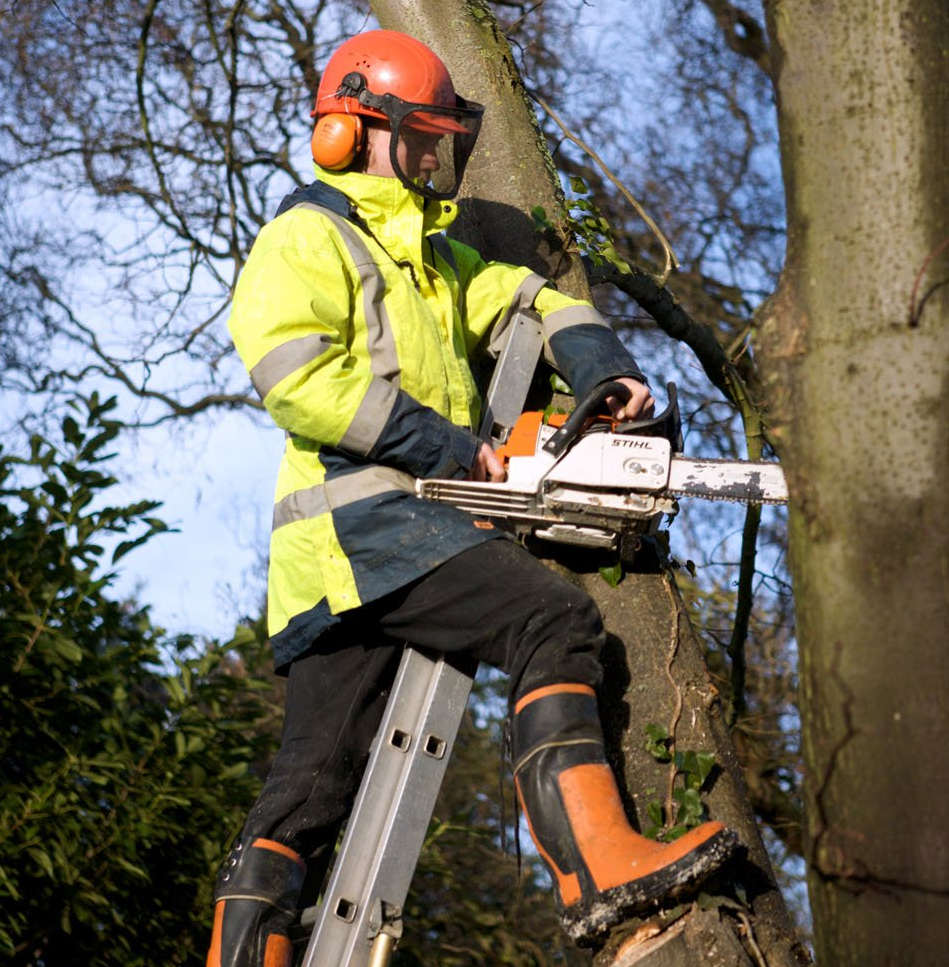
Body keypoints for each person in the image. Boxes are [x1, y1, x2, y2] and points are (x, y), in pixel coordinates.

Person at [206, 29, 738, 967]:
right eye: (415, 137)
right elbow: (297, 380)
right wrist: (451, 445)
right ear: (349, 132)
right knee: (552, 619)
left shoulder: (438, 258)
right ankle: (597, 867)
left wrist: (601, 367)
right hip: (361, 523)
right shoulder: (306, 236)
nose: (430, 156)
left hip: (358, 557)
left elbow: (533, 300)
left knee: (312, 786)